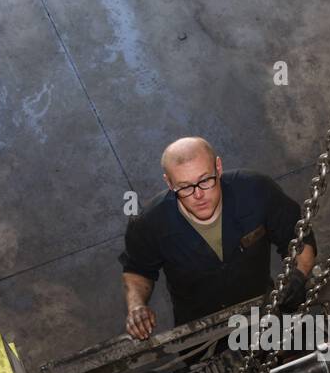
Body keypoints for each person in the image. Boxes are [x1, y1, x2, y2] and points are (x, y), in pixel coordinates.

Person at [119, 137, 316, 339]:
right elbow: (137, 270)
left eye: (205, 180)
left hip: (264, 312)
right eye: (185, 187)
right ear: (169, 183)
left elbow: (297, 237)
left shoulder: (257, 191)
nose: (198, 195)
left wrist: (298, 276)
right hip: (199, 333)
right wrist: (137, 306)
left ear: (219, 167)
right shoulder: (149, 224)